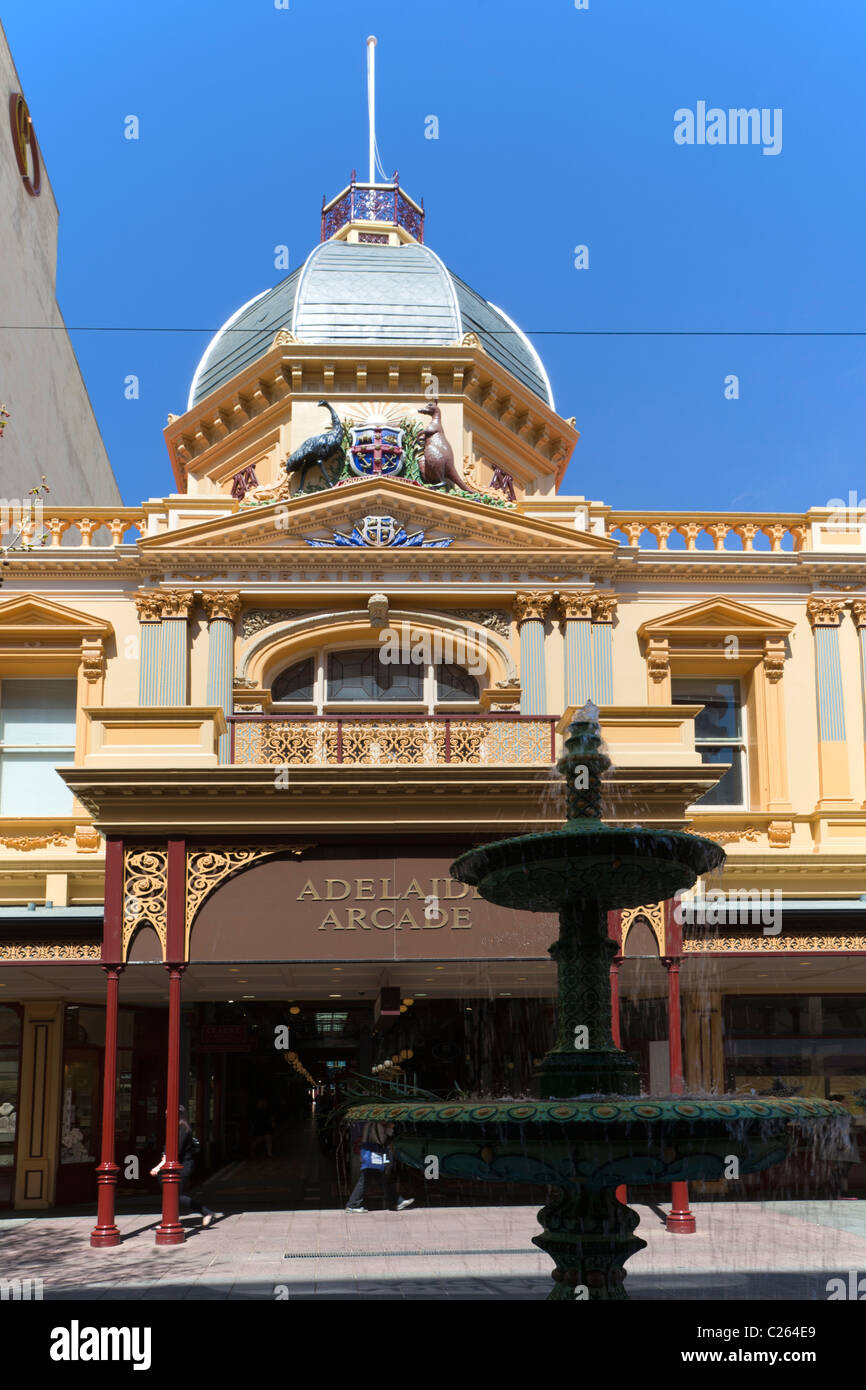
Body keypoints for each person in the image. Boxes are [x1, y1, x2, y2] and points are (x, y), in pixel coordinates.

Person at [150, 1106, 216, 1227]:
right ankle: (172, 1219)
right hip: (178, 1165)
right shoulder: (176, 1128)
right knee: (172, 1195)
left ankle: (206, 1212)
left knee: (175, 1195)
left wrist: (159, 1166)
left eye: (167, 1113)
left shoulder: (183, 1130)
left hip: (182, 1166)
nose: (165, 1116)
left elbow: (175, 1150)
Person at [345, 1120, 414, 1214]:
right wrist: (389, 1129)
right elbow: (381, 1141)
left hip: (368, 1155)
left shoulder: (369, 1124)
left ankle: (397, 1201)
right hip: (373, 1156)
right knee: (366, 1181)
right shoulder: (378, 1126)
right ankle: (352, 1205)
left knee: (381, 1181)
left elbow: (367, 1140)